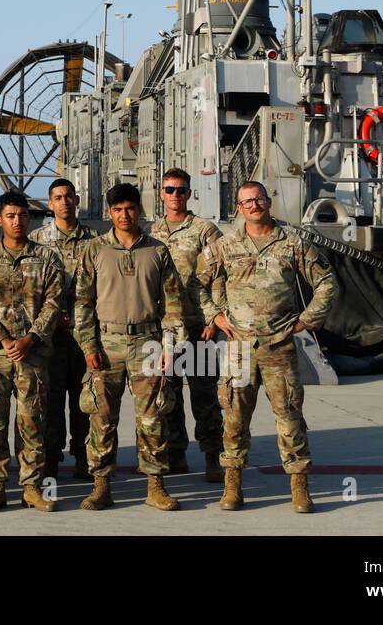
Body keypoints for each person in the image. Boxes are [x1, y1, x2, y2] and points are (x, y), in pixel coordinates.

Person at [197, 180, 338, 513]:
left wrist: (307, 319)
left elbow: (326, 282)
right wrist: (214, 316)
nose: (254, 206)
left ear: (267, 201)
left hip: (279, 346)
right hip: (239, 349)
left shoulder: (293, 243)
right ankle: (233, 487)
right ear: (239, 208)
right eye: (247, 202)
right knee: (233, 418)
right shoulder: (225, 245)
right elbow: (195, 284)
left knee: (289, 417)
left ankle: (299, 487)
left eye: (258, 199)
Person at [72, 183, 186, 512]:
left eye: (130, 208)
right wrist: (88, 344)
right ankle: (101, 486)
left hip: (148, 342)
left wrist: (170, 346)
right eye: (118, 209)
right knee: (102, 418)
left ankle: (155, 485)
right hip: (106, 343)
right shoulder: (94, 250)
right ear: (110, 212)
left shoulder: (158, 251)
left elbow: (174, 304)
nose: (125, 215)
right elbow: (82, 302)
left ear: (139, 210)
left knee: (153, 418)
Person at [0, 191, 65, 512]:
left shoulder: (47, 258)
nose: (17, 221)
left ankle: (32, 487)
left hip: (33, 355)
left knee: (32, 422)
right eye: (10, 216)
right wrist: (2, 339)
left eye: (22, 215)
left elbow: (54, 302)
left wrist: (31, 338)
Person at [149, 168, 225, 482]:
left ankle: (212, 456)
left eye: (181, 190)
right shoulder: (152, 232)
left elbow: (221, 275)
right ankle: (176, 453)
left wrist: (215, 318)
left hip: (198, 327)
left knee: (205, 395)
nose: (175, 195)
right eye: (170, 190)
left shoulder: (205, 230)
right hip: (166, 326)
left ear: (190, 193)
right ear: (161, 193)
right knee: (168, 394)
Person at [27, 178, 96, 481]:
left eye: (69, 196)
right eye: (57, 197)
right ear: (50, 202)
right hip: (49, 337)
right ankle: (51, 462)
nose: (64, 202)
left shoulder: (95, 241)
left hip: (84, 337)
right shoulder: (37, 240)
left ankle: (84, 459)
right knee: (50, 404)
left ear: (77, 200)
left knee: (85, 403)